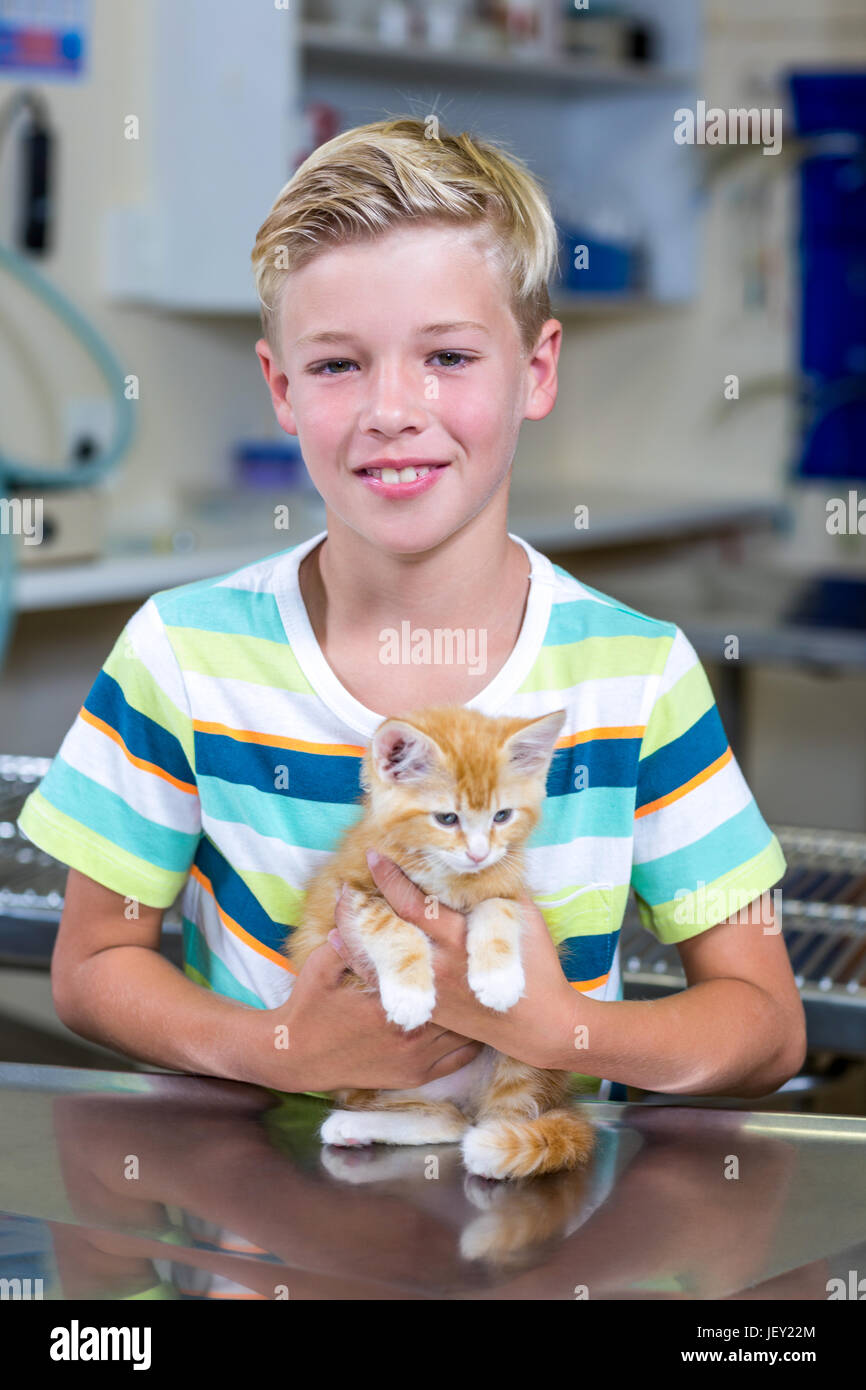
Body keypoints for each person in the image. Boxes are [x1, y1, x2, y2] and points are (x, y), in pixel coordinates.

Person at [17, 117, 806, 1106]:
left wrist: (557, 1028)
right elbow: (93, 968)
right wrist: (278, 1048)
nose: (393, 408)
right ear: (282, 388)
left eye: (447, 356)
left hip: (535, 1227)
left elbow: (765, 1022)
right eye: (339, 365)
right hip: (261, 1240)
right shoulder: (179, 655)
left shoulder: (635, 675)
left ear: (538, 370)